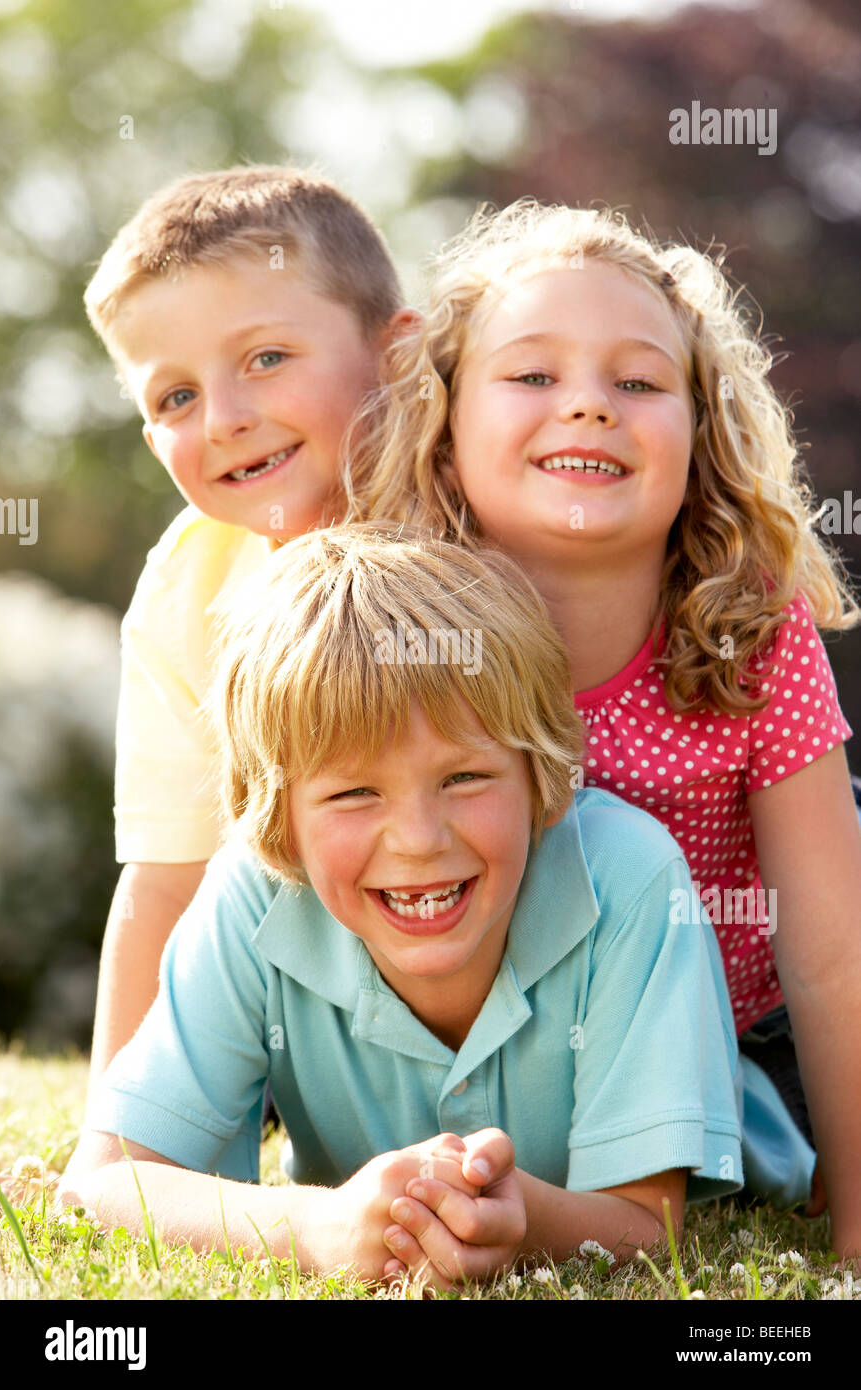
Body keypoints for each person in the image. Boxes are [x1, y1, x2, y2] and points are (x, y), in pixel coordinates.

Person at [342, 201, 861, 1257]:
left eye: (636, 382)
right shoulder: (396, 630)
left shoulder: (752, 627)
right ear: (442, 433)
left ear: (700, 433)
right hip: (490, 1045)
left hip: (737, 1042)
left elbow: (831, 950)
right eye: (532, 376)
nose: (586, 406)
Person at [61, 526, 749, 1289]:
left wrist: (522, 1220)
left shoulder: (630, 878)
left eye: (464, 778)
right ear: (279, 818)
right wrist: (315, 1228)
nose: (419, 841)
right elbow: (103, 1186)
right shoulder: (252, 899)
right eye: (354, 792)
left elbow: (648, 1224)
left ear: (539, 777)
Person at [82, 164, 415, 1100]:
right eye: (174, 398)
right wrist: (113, 1135)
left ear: (395, 355)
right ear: (153, 439)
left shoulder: (475, 509)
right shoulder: (192, 583)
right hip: (338, 1022)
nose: (224, 419)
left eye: (266, 359)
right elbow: (164, 879)